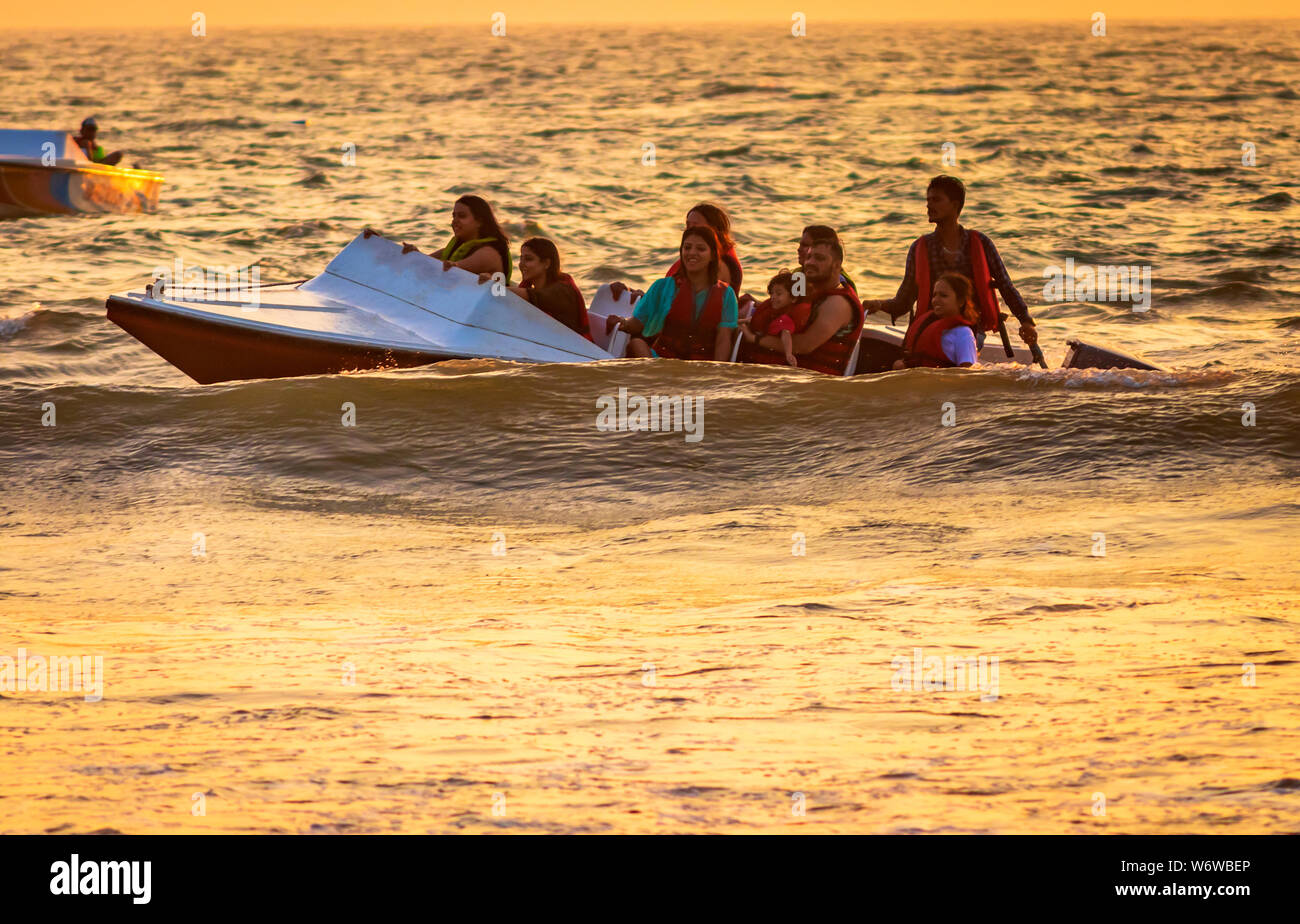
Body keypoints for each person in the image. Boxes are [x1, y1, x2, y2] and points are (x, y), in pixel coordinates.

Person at [862, 175, 1037, 353]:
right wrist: (879, 304)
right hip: (930, 326)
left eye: (936, 200)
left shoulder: (981, 243)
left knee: (959, 345)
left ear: (955, 205)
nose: (929, 205)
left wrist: (1027, 322)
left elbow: (1006, 286)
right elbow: (903, 301)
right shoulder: (920, 248)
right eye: (928, 200)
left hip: (971, 328)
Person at [605, 226, 738, 361]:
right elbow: (637, 324)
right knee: (637, 343)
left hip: (702, 366)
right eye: (687, 248)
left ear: (713, 255)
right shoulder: (662, 287)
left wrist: (716, 373)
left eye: (701, 249)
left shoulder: (727, 295)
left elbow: (724, 339)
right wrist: (622, 323)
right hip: (662, 361)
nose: (692, 253)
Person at [746, 230, 863, 375]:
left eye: (819, 258)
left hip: (812, 384)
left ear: (837, 266)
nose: (810, 262)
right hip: (785, 376)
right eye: (809, 257)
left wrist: (754, 338)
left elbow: (804, 345)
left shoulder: (838, 302)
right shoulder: (807, 291)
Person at [609, 202, 743, 303]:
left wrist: (647, 299)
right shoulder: (695, 258)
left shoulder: (720, 264)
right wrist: (640, 295)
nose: (688, 231)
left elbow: (692, 302)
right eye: (687, 226)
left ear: (714, 230)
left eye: (695, 226)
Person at [479, 237, 592, 341]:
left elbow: (535, 296)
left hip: (574, 350)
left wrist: (495, 286)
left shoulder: (562, 291)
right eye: (521, 259)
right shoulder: (534, 288)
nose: (521, 264)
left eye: (528, 259)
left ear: (546, 263)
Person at [402, 195, 512, 282]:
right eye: (454, 216)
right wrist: (415, 254)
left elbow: (453, 268)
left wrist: (454, 265)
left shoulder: (488, 253)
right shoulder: (455, 248)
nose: (455, 220)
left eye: (462, 216)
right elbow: (424, 262)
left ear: (479, 221)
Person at [894, 273, 980, 369]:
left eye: (943, 296)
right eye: (934, 295)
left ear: (960, 301)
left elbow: (968, 373)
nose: (936, 300)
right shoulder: (926, 325)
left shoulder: (963, 333)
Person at [738, 271, 809, 367]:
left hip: (768, 362)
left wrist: (788, 354)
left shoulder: (785, 319)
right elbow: (754, 320)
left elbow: (786, 334)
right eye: (771, 294)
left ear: (793, 298)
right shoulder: (773, 312)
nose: (773, 297)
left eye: (778, 294)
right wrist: (739, 322)